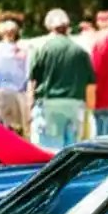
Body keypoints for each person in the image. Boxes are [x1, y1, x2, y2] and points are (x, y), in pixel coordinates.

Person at [28, 9, 96, 149]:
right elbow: (90, 84)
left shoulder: (41, 49)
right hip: (75, 104)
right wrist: (89, 110)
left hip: (48, 105)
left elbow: (33, 81)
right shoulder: (80, 51)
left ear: (49, 27)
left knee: (48, 150)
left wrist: (30, 107)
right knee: (72, 151)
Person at [0, 20, 28, 135]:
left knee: (1, 129)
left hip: (1, 92)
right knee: (17, 129)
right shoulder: (21, 50)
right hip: (18, 93)